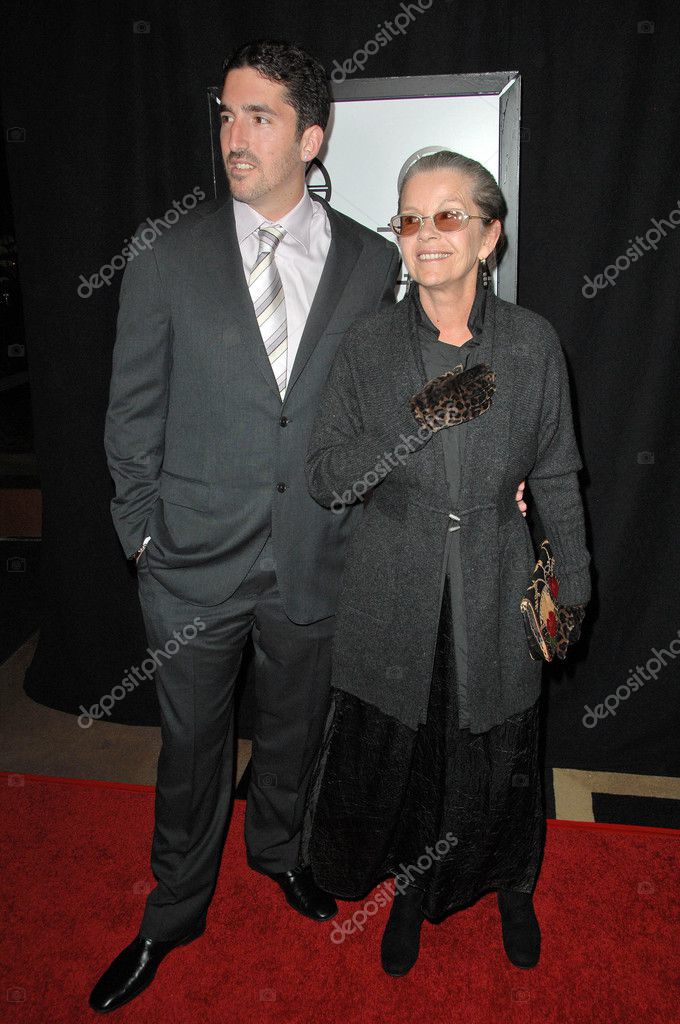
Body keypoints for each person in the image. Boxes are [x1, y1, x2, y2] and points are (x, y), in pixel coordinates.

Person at [91, 40, 404, 1014]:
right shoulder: (165, 256)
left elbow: (369, 409)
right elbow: (130, 416)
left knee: (294, 731)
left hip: (316, 556)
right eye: (226, 114)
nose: (234, 135)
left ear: (310, 137)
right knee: (190, 751)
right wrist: (143, 539)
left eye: (259, 117)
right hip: (189, 562)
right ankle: (173, 909)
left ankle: (279, 851)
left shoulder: (370, 260)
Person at [302, 149, 591, 977]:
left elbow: (557, 474)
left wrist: (573, 583)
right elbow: (326, 479)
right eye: (410, 218)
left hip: (497, 581)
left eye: (449, 216)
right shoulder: (367, 346)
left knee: (503, 751)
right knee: (412, 754)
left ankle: (512, 884)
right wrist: (414, 421)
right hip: (397, 587)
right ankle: (411, 887)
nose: (426, 234)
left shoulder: (533, 344)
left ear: (489, 235)